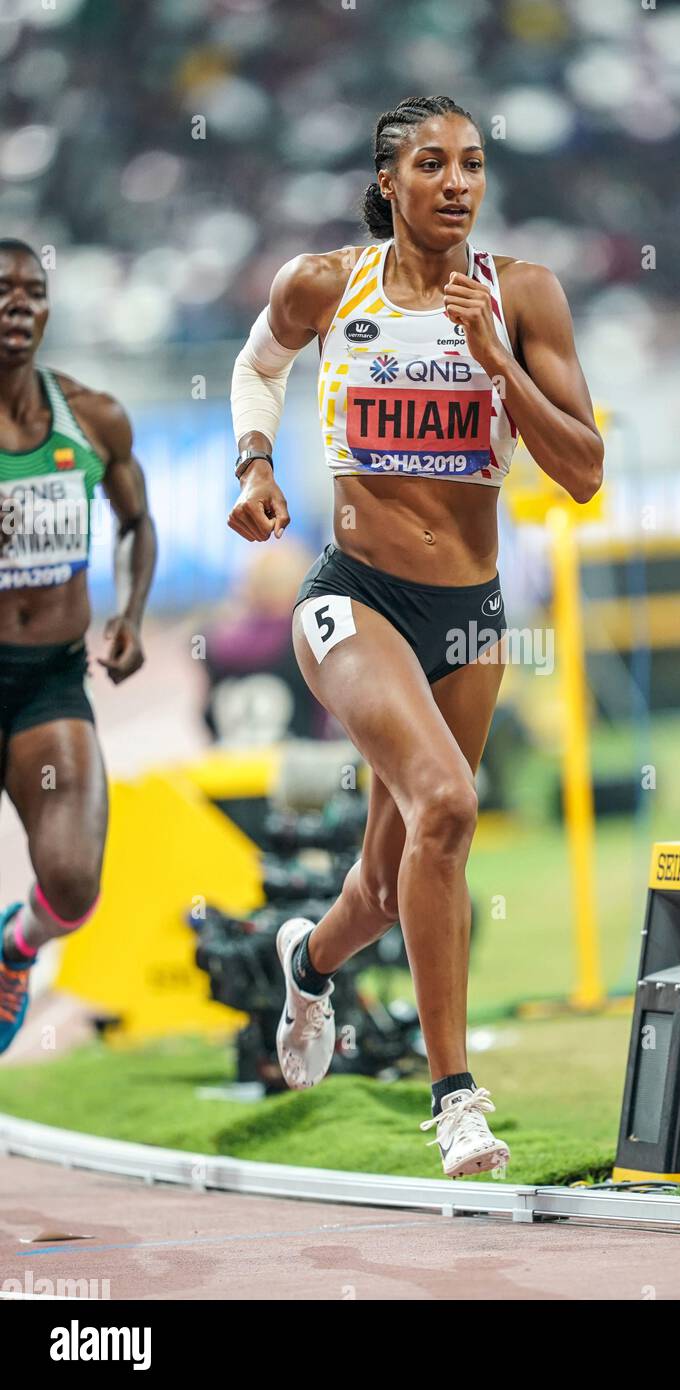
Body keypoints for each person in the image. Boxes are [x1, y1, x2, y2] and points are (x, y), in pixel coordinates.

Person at [227, 96, 603, 1177]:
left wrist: (502, 365)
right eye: (430, 164)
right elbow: (258, 366)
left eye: (472, 164)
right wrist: (254, 465)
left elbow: (580, 471)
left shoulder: (522, 296)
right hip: (354, 599)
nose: (456, 182)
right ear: (386, 181)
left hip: (474, 614)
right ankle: (454, 1097)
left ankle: (305, 960)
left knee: (391, 883)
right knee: (446, 803)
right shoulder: (324, 282)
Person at [0, 238, 157, 1053]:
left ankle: (15, 947)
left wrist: (130, 610)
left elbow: (136, 522)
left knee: (72, 885)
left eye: (32, 292)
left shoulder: (92, 416)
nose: (17, 305)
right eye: (2, 290)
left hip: (47, 681)